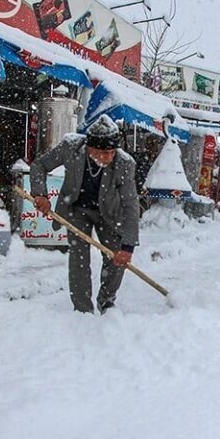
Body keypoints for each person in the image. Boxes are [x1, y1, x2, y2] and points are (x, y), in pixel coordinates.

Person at [30, 115, 139, 315]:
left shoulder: (124, 164)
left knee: (116, 257)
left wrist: (128, 247)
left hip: (110, 214)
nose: (108, 157)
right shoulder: (71, 148)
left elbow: (130, 204)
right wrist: (40, 194)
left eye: (112, 152)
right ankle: (82, 309)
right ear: (90, 148)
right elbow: (40, 166)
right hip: (76, 209)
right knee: (79, 259)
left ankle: (106, 301)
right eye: (103, 153)